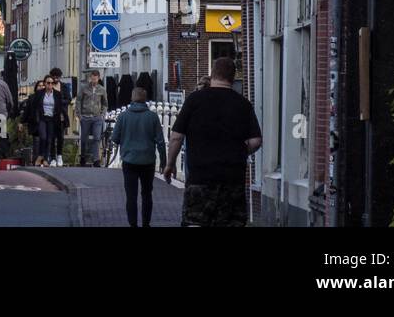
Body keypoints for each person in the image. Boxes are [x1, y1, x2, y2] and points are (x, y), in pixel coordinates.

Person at [164, 57, 262, 227]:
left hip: (200, 179)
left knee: (195, 222)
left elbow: (176, 137)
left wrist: (170, 164)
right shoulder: (243, 104)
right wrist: (238, 151)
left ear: (212, 74)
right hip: (232, 181)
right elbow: (256, 141)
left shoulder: (194, 100)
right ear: (232, 77)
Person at [111, 85, 166, 227]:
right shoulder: (153, 117)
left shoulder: (123, 116)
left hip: (129, 161)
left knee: (131, 196)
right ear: (145, 99)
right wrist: (164, 161)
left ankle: (133, 224)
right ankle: (146, 224)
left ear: (132, 98)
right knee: (147, 194)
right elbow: (160, 141)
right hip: (148, 161)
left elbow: (115, 138)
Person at [27, 74, 67, 167]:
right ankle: (40, 156)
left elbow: (60, 106)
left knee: (50, 139)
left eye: (52, 83)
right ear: (45, 83)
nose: (50, 85)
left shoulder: (57, 94)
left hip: (53, 119)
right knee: (43, 137)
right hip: (42, 118)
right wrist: (35, 117)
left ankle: (45, 159)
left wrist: (61, 115)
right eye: (48, 83)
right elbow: (35, 106)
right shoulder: (40, 93)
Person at [78, 70, 107, 167]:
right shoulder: (84, 88)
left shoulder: (102, 89)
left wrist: (102, 114)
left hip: (97, 117)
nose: (94, 80)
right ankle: (83, 157)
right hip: (85, 117)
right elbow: (78, 101)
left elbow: (105, 103)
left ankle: (96, 160)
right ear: (90, 78)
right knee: (84, 139)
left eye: (95, 79)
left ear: (98, 78)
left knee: (97, 138)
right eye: (92, 78)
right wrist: (79, 115)